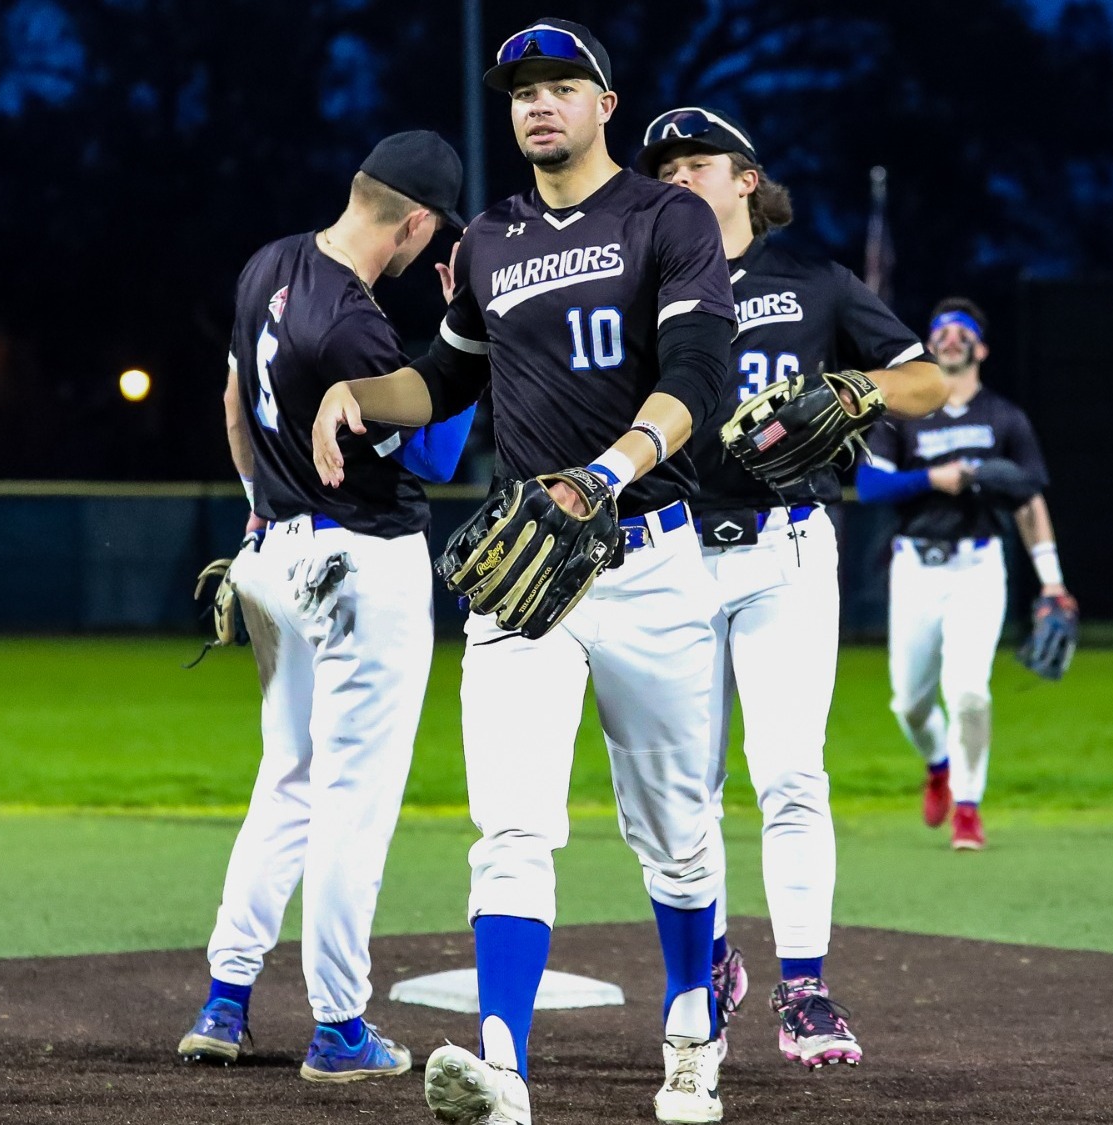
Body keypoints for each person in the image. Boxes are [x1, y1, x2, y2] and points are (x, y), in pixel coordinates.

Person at [312, 18, 736, 1125]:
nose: (536, 105)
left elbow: (696, 371)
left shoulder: (667, 215)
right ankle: (501, 1068)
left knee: (679, 831)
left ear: (604, 103)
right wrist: (356, 394)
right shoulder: (492, 241)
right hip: (528, 570)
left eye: (559, 86)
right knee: (509, 825)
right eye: (519, 93)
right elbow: (442, 379)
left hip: (648, 559)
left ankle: (691, 1032)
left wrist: (603, 474)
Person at [635, 106, 944, 1070]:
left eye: (699, 162)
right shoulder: (644, 290)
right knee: (682, 791)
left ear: (746, 179)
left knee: (790, 773)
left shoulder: (814, 282)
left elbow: (929, 380)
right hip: (671, 554)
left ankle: (804, 986)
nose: (680, 177)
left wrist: (861, 392)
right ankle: (713, 958)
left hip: (786, 552)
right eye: (666, 167)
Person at [174, 130, 477, 1081]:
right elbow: (434, 456)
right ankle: (340, 1024)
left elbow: (232, 401)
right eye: (434, 236)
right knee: (354, 799)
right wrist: (470, 330)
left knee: (288, 780)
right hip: (361, 566)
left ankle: (226, 999)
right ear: (417, 221)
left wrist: (263, 510)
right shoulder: (357, 326)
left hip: (273, 552)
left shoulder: (271, 261)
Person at [856, 299, 1073, 850]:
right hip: (915, 568)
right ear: (929, 347)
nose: (951, 338)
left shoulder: (1005, 418)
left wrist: (1051, 580)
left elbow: (1028, 501)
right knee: (910, 703)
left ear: (981, 348)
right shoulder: (905, 415)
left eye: (962, 332)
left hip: (978, 565)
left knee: (970, 692)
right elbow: (871, 488)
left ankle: (968, 808)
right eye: (941, 331)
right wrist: (936, 477)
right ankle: (938, 764)